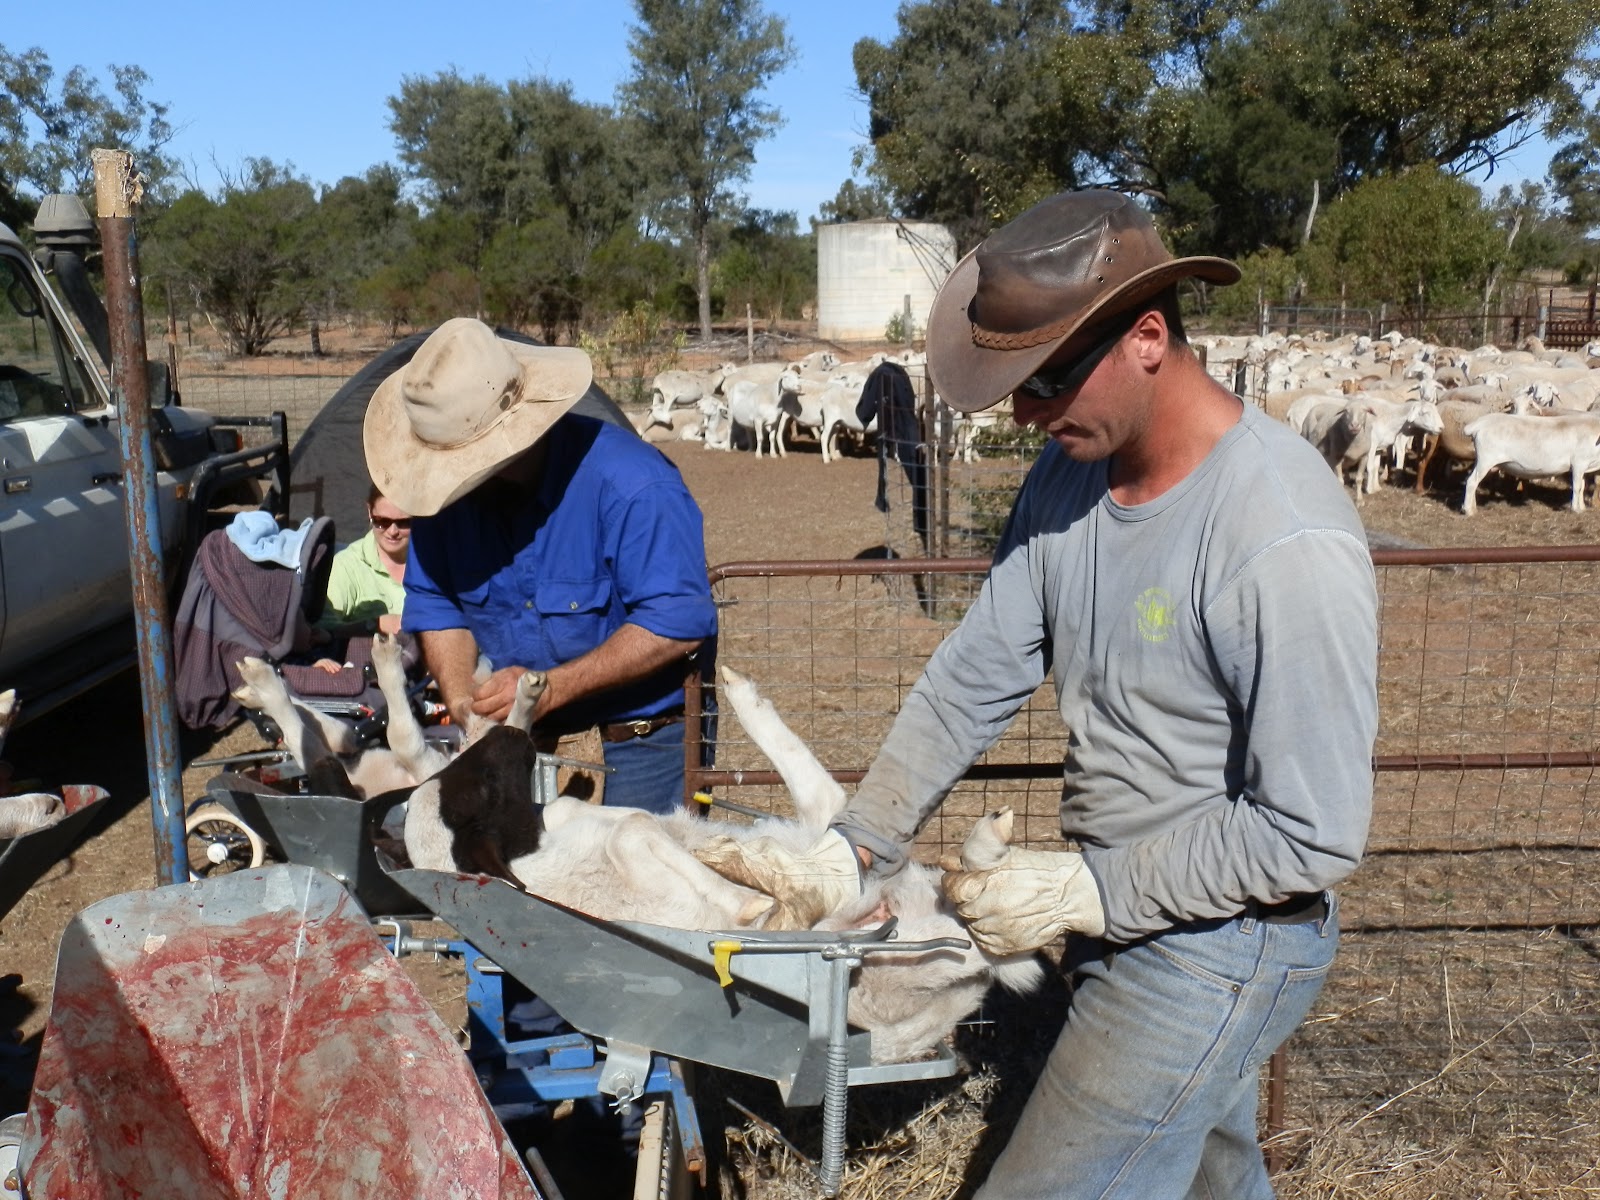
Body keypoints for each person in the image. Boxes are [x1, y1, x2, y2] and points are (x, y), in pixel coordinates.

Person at [702, 190, 1378, 1198]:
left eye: (1048, 379)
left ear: (1149, 338)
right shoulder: (1069, 480)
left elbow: (1313, 831)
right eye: (1014, 384)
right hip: (1122, 921)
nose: (1023, 412)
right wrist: (855, 844)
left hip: (1221, 942)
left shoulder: (1279, 539)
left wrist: (1090, 889)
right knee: (1207, 1174)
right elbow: (978, 670)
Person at [361, 317, 717, 814]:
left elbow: (676, 622)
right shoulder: (443, 505)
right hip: (521, 735)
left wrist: (549, 689)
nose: (450, 482)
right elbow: (438, 602)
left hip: (641, 738)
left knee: (634, 883)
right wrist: (465, 701)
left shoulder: (634, 486)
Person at [316, 484, 411, 639]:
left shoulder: (434, 562)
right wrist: (375, 624)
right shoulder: (347, 566)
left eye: (403, 523)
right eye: (382, 521)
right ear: (369, 512)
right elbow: (320, 629)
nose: (393, 531)